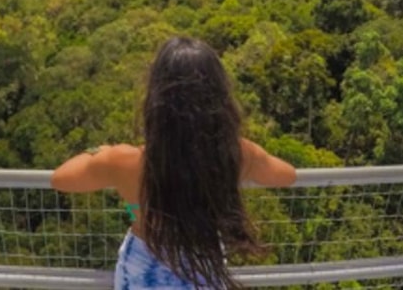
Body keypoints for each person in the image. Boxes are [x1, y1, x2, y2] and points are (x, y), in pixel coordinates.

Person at [51, 36, 297, 289]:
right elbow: (287, 175)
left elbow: (61, 178)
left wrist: (99, 150)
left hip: (143, 272)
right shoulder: (236, 154)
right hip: (204, 267)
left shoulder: (124, 160)